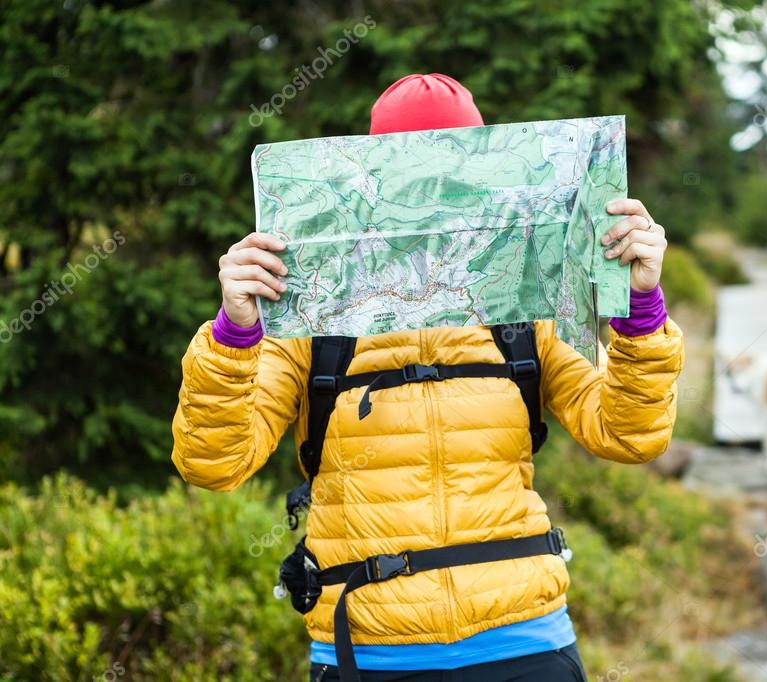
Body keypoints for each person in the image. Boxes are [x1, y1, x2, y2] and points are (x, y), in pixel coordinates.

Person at [172, 73, 683, 682]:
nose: (437, 198)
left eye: (457, 176)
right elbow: (213, 463)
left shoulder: (529, 304)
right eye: (411, 179)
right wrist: (234, 333)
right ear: (370, 183)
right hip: (365, 650)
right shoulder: (307, 316)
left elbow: (629, 436)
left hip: (524, 642)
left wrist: (643, 308)